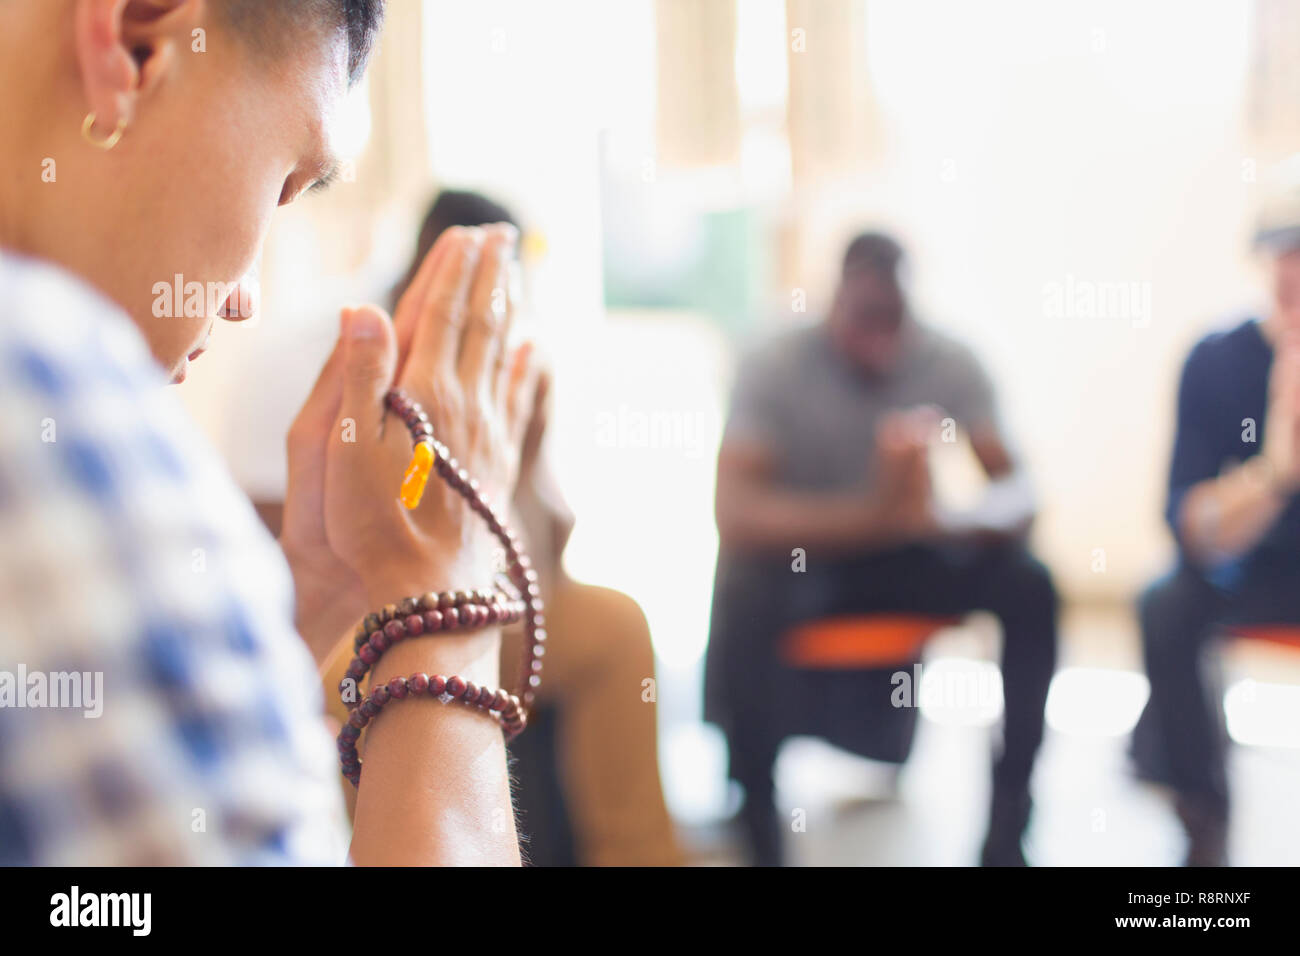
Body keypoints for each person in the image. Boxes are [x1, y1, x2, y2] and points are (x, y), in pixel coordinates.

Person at [0, 0, 539, 865]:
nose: (243, 295)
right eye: (286, 179)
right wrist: (447, 599)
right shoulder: (47, 377)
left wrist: (293, 606)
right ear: (136, 42)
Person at [317, 190, 682, 866]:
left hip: (514, 604)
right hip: (395, 613)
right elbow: (375, 531)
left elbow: (550, 519)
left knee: (619, 625)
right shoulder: (377, 365)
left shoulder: (517, 366)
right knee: (340, 676)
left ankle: (637, 848)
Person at [706, 231, 1058, 866]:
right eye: (864, 318)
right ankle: (756, 816)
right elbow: (736, 514)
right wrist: (870, 516)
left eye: (893, 319)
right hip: (810, 560)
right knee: (743, 587)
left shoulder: (949, 362)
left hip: (914, 549)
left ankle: (1009, 824)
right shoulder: (775, 365)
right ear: (834, 301)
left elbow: (1020, 491)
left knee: (1030, 583)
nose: (880, 338)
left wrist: (948, 521)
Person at [1131, 191, 1300, 867]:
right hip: (1251, 567)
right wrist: (1276, 470)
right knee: (1166, 602)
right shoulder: (1217, 359)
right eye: (1287, 253)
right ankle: (1202, 807)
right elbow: (1187, 524)